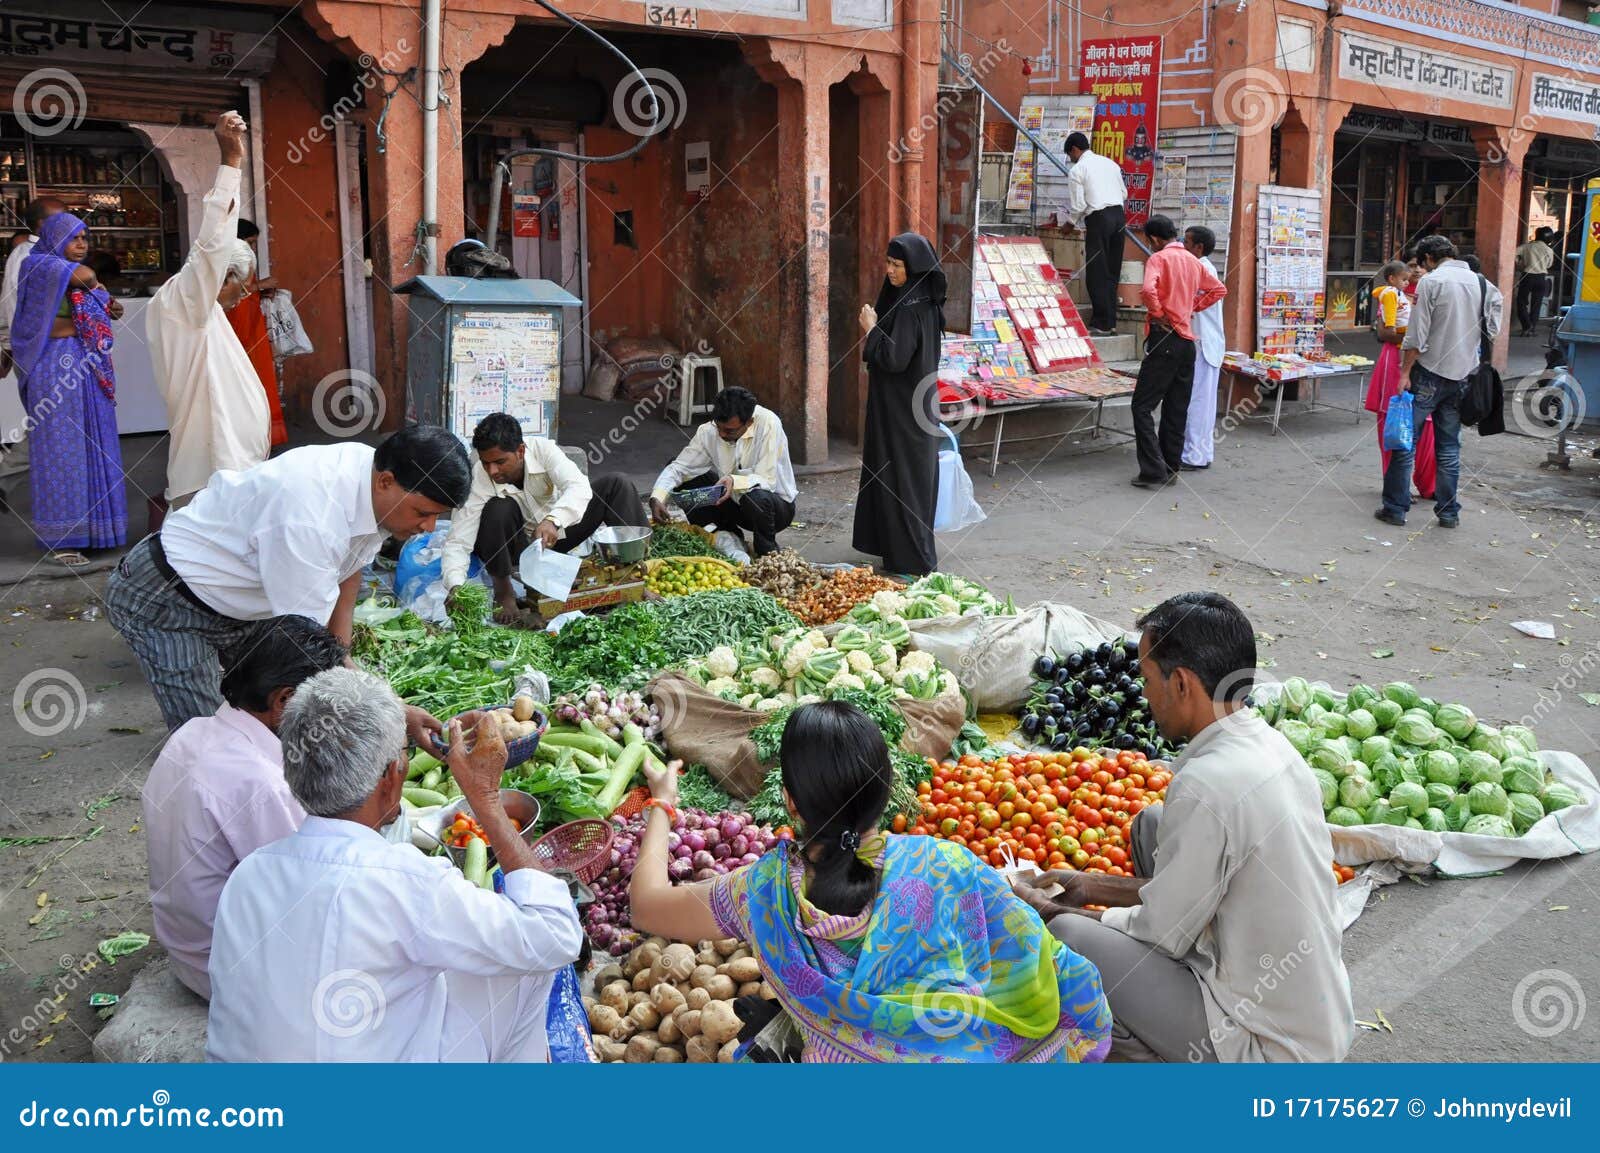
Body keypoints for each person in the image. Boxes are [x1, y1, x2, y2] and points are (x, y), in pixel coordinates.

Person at [630, 700, 1113, 1063]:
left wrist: (663, 804)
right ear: (887, 790)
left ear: (791, 802)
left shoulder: (760, 893)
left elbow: (646, 904)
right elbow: (1048, 962)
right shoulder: (943, 865)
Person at [1014, 592, 1354, 1062]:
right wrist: (1091, 885)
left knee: (1071, 937)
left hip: (1263, 1041)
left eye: (1147, 678)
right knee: (1151, 825)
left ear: (1180, 684)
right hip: (1314, 1017)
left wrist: (1051, 911)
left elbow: (1162, 931)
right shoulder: (1273, 747)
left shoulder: (1206, 784)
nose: (1144, 694)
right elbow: (1190, 891)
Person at [206, 669, 583, 1061]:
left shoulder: (247, 874)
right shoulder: (406, 881)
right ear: (390, 776)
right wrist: (485, 797)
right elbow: (556, 932)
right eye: (405, 753)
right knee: (527, 967)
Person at [105, 424, 468, 735]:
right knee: (215, 741)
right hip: (168, 598)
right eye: (423, 513)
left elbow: (348, 574)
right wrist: (391, 711)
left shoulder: (373, 479)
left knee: (264, 715)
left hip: (241, 602)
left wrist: (344, 657)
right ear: (385, 481)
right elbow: (304, 644)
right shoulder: (310, 518)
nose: (428, 528)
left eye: (437, 516)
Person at [142, 615, 346, 1000]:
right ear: (284, 701)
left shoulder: (190, 733)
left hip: (185, 951)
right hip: (229, 972)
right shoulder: (261, 784)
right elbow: (308, 899)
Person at [146, 110, 269, 509]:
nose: (244, 294)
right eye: (241, 284)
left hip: (228, 471)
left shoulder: (202, 312)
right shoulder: (185, 302)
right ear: (222, 275)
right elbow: (213, 243)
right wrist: (230, 161)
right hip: (210, 474)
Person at [445, 412, 647, 622]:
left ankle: (635, 573)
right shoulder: (479, 477)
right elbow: (459, 539)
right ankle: (504, 592)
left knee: (617, 484)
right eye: (486, 463)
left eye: (500, 462)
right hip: (516, 549)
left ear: (520, 451)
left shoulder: (543, 450)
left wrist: (554, 520)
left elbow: (578, 486)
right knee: (497, 508)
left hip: (555, 536)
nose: (492, 470)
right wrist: (455, 586)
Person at [8, 212, 127, 566]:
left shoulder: (67, 272)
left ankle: (98, 532)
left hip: (86, 365)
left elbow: (106, 307)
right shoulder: (39, 264)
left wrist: (104, 306)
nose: (81, 245)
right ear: (54, 238)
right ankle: (62, 542)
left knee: (95, 443)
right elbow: (85, 276)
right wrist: (96, 299)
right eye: (73, 238)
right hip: (53, 368)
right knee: (61, 450)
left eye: (84, 238)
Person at [1376, 235, 1502, 528]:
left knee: (1405, 442)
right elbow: (1493, 330)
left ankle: (1395, 509)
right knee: (1449, 448)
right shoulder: (1484, 285)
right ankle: (1448, 513)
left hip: (1428, 373)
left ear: (1429, 258)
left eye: (1423, 263)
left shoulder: (1432, 282)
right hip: (1463, 375)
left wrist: (1405, 373)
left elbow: (1417, 335)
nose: (1422, 268)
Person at [852, 233, 944, 578]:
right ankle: (898, 552)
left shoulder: (910, 309)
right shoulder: (924, 302)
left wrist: (871, 329)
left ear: (914, 268)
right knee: (900, 477)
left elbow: (894, 358)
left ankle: (912, 559)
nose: (890, 271)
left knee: (903, 479)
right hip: (909, 407)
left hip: (903, 413)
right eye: (888, 263)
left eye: (897, 265)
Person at [1131, 215, 1226, 489]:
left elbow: (1147, 290)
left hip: (1165, 339)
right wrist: (1190, 308)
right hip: (1187, 344)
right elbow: (1219, 290)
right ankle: (1170, 467)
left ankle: (1153, 470)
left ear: (1154, 239)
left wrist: (1159, 312)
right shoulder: (1194, 262)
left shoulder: (1158, 258)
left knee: (1141, 406)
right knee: (1176, 408)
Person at [650, 386, 797, 558]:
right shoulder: (710, 430)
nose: (721, 434)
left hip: (775, 509)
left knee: (755, 495)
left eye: (729, 430)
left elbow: (767, 480)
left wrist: (734, 481)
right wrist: (657, 497)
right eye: (718, 427)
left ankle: (767, 552)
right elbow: (679, 468)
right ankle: (727, 535)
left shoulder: (769, 424)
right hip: (733, 503)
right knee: (684, 477)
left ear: (749, 422)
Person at [0, 198, 66, 510]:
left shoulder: (45, 253)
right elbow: (19, 311)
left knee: (50, 422)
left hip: (40, 352)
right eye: (62, 218)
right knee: (48, 423)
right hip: (38, 354)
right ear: (42, 224)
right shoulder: (27, 256)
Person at [1364, 261, 1437, 500]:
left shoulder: (1432, 294)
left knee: (1428, 425)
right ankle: (1396, 487)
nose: (1416, 270)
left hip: (1426, 364)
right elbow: (1384, 332)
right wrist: (1416, 336)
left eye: (1420, 266)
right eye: (1412, 266)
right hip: (1397, 361)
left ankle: (1429, 485)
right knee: (1394, 420)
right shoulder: (1392, 296)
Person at [221, 230, 287, 448]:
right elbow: (228, 293)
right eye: (249, 242)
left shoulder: (245, 264)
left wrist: (261, 291)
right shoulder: (229, 266)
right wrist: (258, 286)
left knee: (260, 383)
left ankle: (262, 436)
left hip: (254, 332)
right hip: (239, 337)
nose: (252, 247)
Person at [1062, 133, 1128, 336]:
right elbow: (1124, 193)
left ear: (1074, 150)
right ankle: (1111, 322)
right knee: (1112, 270)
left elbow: (1079, 205)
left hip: (1099, 219)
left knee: (1097, 271)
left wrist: (1070, 223)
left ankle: (1101, 323)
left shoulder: (1077, 170)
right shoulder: (1110, 164)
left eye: (1070, 155)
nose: (1071, 159)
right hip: (1119, 216)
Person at [1179, 226, 1226, 471]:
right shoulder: (1204, 267)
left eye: (1186, 242)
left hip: (1203, 344)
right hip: (1207, 343)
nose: (1182, 245)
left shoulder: (1200, 268)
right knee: (1203, 403)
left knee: (1197, 402)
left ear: (1198, 247)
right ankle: (1201, 453)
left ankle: (1193, 455)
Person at [1514, 227, 1555, 338]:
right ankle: (1532, 329)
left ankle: (1526, 326)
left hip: (1527, 276)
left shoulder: (1527, 246)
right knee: (1536, 304)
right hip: (1541, 278)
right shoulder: (1549, 250)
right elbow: (1549, 264)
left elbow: (1514, 254)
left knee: (1521, 302)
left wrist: (1520, 264)